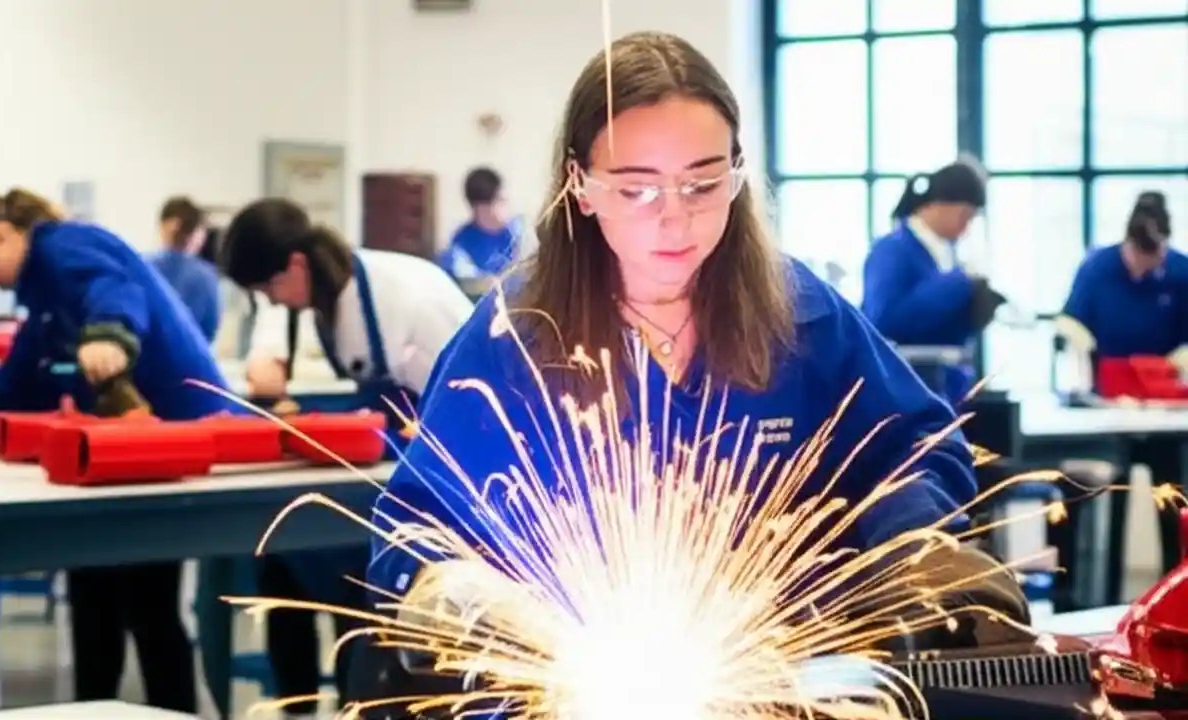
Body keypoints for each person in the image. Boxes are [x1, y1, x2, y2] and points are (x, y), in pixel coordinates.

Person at [364, 31, 1026, 712]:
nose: (675, 218)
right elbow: (417, 527)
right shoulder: (515, 337)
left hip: (791, 685)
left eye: (703, 183)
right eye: (637, 190)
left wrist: (911, 542)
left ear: (738, 173)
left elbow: (911, 448)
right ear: (580, 187)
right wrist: (463, 594)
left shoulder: (800, 313)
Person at [0, 188, 230, 713]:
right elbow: (22, 377)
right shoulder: (42, 295)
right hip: (125, 451)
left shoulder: (64, 246)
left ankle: (173, 711)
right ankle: (92, 706)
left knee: (148, 604)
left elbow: (113, 289)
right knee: (93, 589)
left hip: (172, 438)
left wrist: (109, 335)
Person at [217, 198, 474, 717]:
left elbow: (448, 411)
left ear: (295, 265)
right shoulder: (331, 294)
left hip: (453, 456)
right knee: (282, 560)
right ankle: (299, 705)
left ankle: (356, 702)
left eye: (270, 288)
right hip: (393, 450)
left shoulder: (395, 295)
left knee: (349, 574)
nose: (273, 301)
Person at [1058, 190, 1187, 577]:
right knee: (1110, 492)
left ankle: (1174, 578)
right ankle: (1091, 583)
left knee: (1170, 496)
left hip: (1163, 402)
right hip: (1108, 403)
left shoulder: (1180, 272)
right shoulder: (1097, 267)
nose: (1142, 268)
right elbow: (1071, 321)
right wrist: (1080, 350)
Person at [861, 159, 1006, 406]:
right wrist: (958, 283)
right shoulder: (892, 250)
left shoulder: (947, 254)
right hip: (907, 393)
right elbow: (882, 320)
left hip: (948, 390)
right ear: (937, 205)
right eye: (963, 215)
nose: (966, 226)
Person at [437, 167, 522, 297]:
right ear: (481, 208)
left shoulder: (518, 233)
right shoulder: (460, 249)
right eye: (500, 201)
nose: (506, 208)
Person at [152, 196, 221, 341]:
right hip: (192, 357)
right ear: (199, 233)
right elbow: (210, 328)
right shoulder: (206, 275)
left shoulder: (143, 267)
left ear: (162, 226)